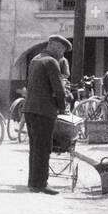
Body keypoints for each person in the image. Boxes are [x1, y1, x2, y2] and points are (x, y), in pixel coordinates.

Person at [23, 36, 69, 195]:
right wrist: (63, 107)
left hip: (30, 109)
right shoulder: (51, 62)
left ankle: (33, 182)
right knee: (44, 148)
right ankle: (41, 183)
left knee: (35, 147)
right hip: (44, 110)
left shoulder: (36, 59)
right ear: (54, 46)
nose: (62, 53)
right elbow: (59, 89)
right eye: (61, 49)